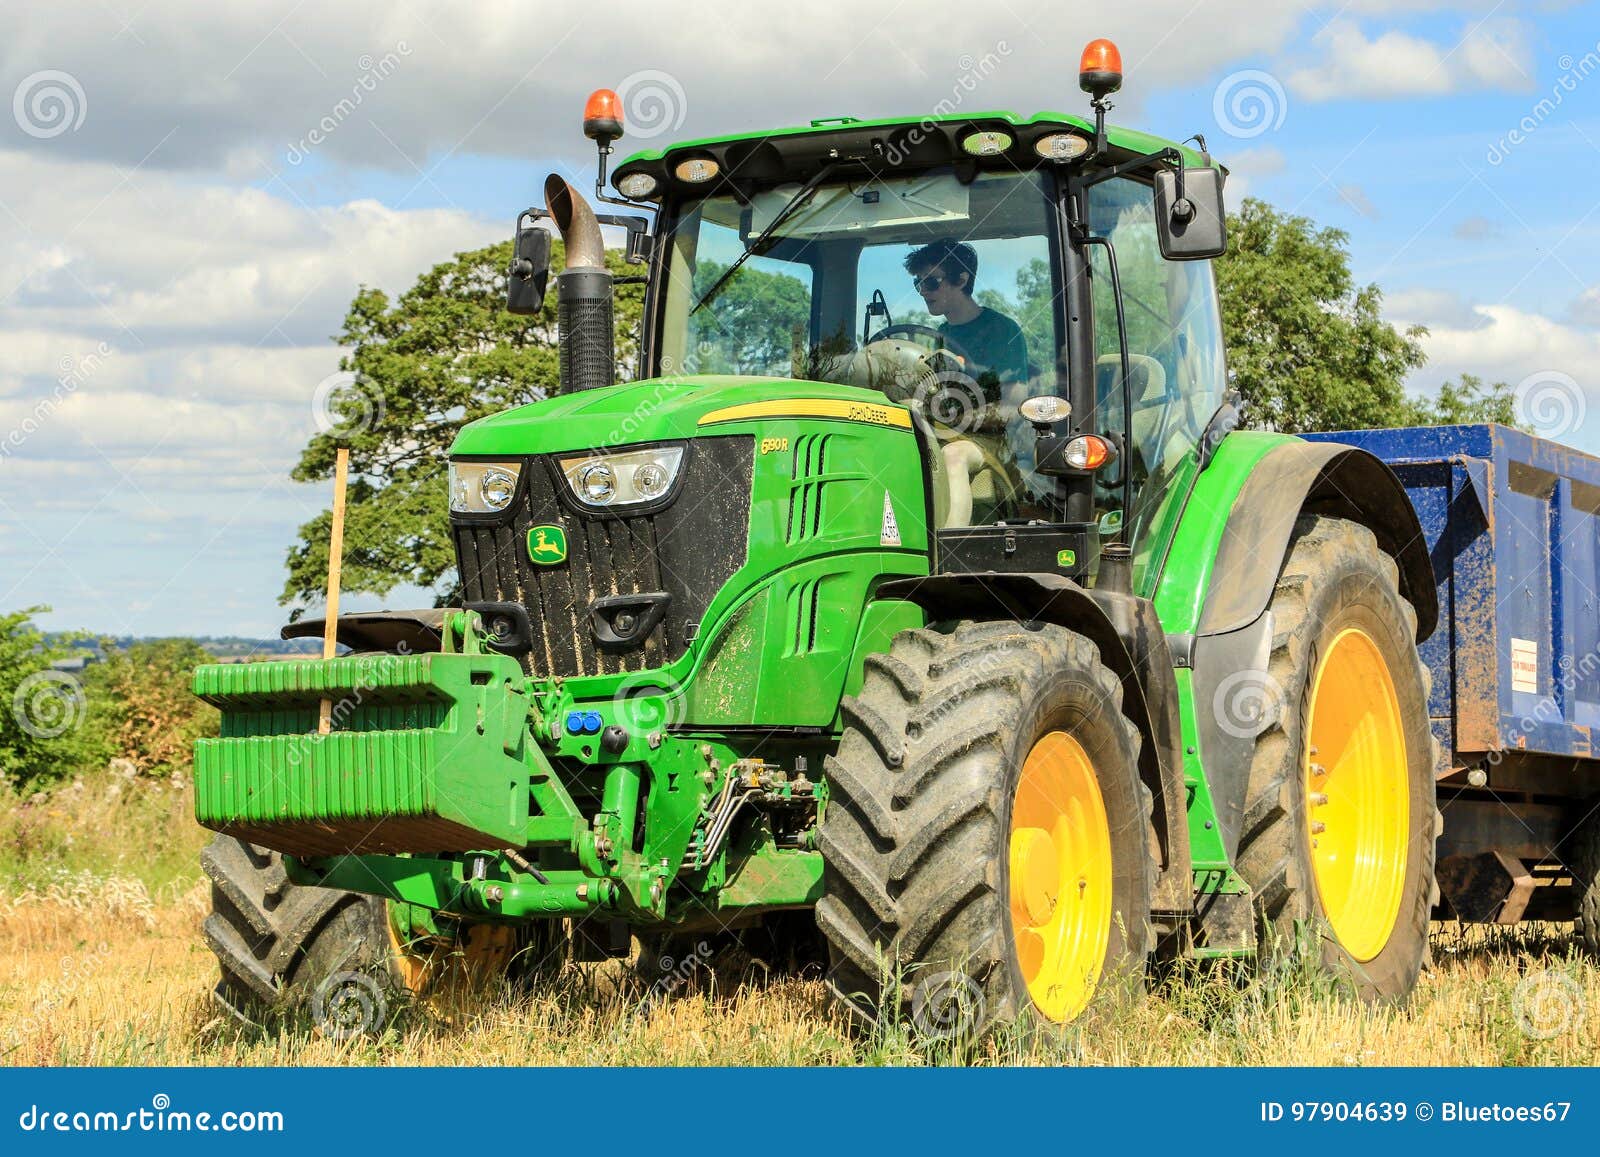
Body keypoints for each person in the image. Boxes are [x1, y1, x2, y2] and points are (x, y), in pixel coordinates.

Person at [904, 239, 1030, 525]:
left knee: (954, 455)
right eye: (919, 284)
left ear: (961, 280)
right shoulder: (939, 334)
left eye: (932, 282)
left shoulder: (1002, 331)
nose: (923, 291)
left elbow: (1012, 407)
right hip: (942, 430)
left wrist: (958, 421)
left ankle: (947, 556)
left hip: (993, 441)